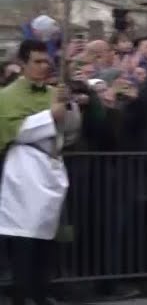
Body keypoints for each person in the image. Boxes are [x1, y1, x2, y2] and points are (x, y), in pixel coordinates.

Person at [0, 39, 82, 305]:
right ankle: (22, 295)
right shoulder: (7, 95)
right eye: (37, 61)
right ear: (23, 63)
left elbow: (70, 132)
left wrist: (69, 107)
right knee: (25, 238)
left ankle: (41, 292)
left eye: (47, 61)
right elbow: (13, 131)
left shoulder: (52, 92)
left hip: (52, 167)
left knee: (47, 240)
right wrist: (51, 116)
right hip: (24, 167)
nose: (43, 66)